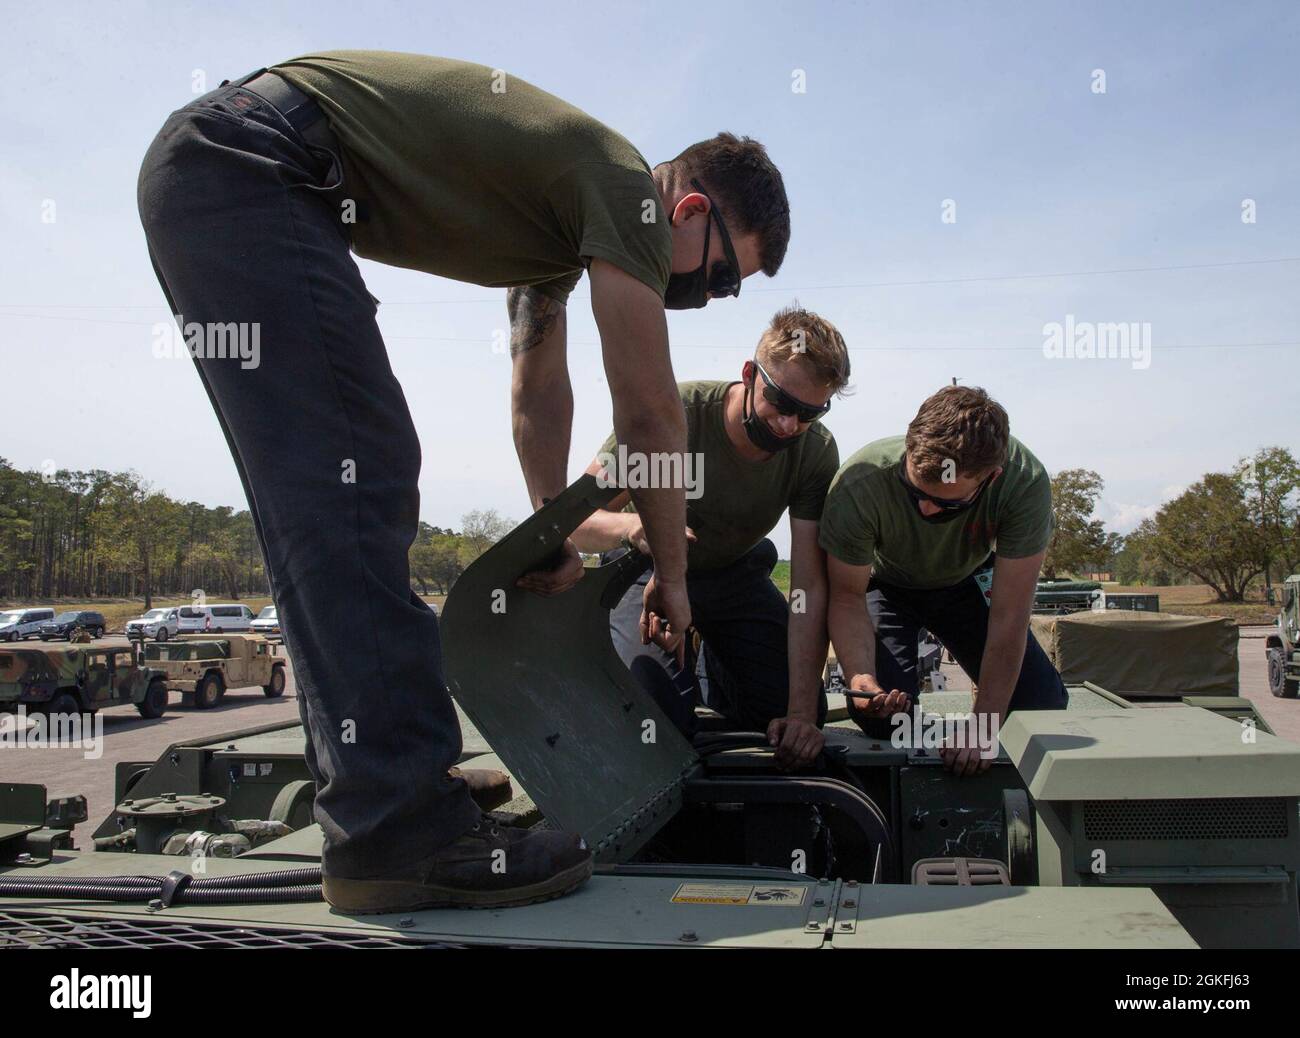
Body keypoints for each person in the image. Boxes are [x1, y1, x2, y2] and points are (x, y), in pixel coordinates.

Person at [137, 50, 791, 912]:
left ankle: (399, 784)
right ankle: (397, 824)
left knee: (348, 469)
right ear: (693, 208)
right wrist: (673, 578)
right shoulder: (629, 186)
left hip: (239, 168)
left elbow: (537, 383)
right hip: (252, 165)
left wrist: (550, 531)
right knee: (355, 471)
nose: (699, 299)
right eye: (714, 280)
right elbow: (650, 414)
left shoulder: (564, 218)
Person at [572, 305, 849, 769]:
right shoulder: (672, 416)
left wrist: (802, 713)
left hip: (733, 575)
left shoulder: (814, 452)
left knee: (795, 716)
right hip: (647, 573)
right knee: (653, 718)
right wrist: (635, 527)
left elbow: (807, 585)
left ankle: (718, 662)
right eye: (780, 402)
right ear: (749, 373)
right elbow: (578, 522)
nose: (788, 425)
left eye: (808, 413)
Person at [819, 386, 1066, 776]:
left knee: (1038, 706)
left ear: (992, 477)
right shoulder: (860, 483)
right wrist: (861, 677)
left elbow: (1010, 615)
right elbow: (847, 596)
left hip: (966, 581)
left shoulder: (1024, 483)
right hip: (887, 587)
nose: (926, 509)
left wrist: (983, 726)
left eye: (949, 504)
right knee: (883, 718)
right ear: (909, 448)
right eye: (915, 491)